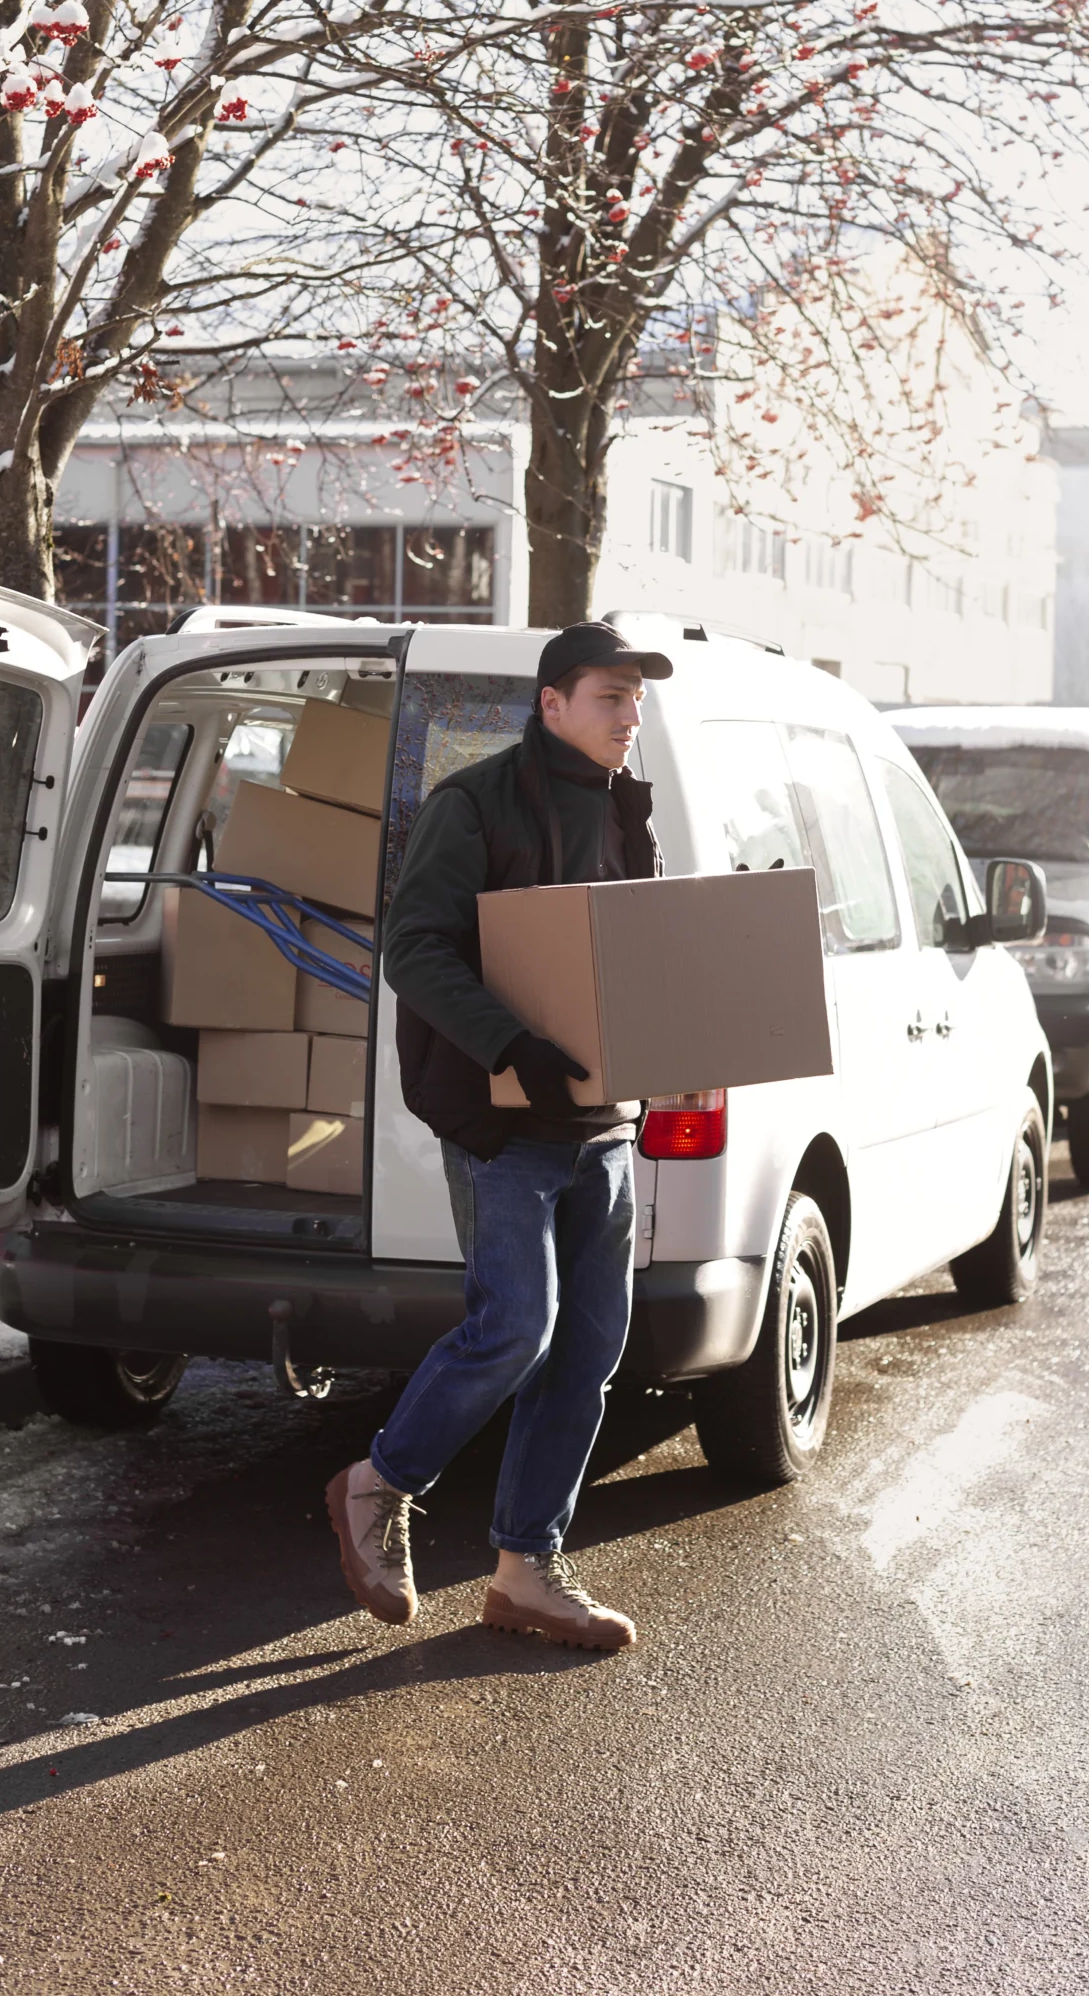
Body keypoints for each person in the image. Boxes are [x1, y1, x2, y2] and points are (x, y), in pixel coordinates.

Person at [325, 621, 672, 1653]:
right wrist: (506, 1044)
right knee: (516, 1326)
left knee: (589, 1352)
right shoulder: (471, 806)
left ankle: (527, 1567)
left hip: (600, 1127)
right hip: (499, 1120)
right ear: (553, 703)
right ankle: (376, 1482)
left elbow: (637, 956)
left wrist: (674, 1041)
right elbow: (414, 947)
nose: (629, 718)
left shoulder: (625, 815)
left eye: (637, 702)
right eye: (611, 698)